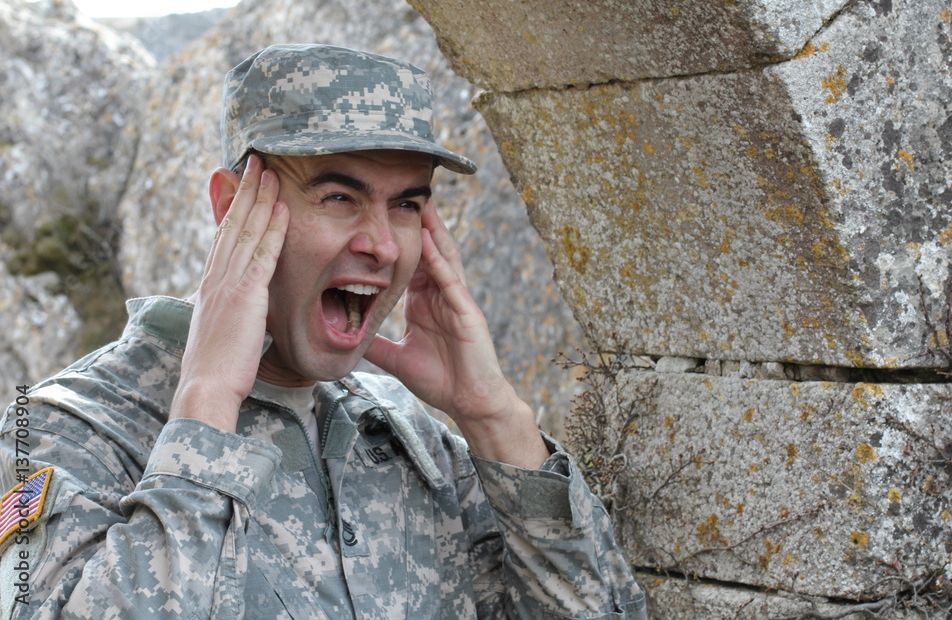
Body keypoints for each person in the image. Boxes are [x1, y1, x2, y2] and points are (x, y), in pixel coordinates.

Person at [0, 44, 646, 618]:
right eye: (339, 197)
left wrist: (495, 417)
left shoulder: (405, 433)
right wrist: (206, 407)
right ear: (231, 208)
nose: (383, 246)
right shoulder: (57, 432)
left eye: (407, 205)